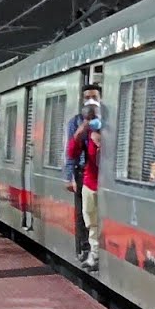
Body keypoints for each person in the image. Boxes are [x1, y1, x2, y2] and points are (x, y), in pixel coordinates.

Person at [64, 83, 101, 262]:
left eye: (94, 96)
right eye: (87, 98)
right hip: (83, 173)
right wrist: (69, 176)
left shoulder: (107, 120)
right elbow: (71, 151)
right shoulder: (76, 122)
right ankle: (84, 248)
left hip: (100, 174)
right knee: (83, 213)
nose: (91, 101)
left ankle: (96, 249)